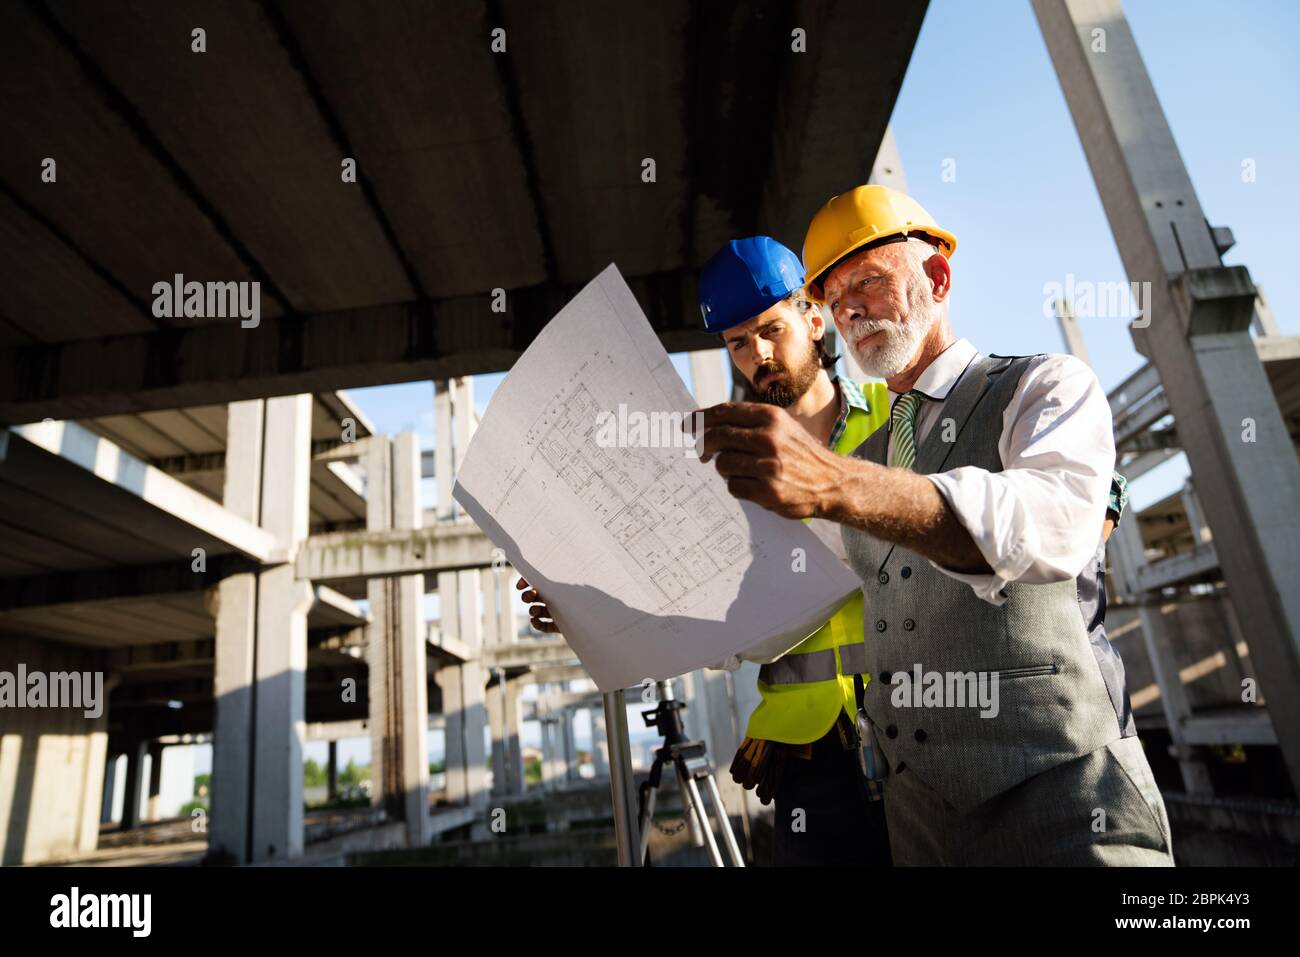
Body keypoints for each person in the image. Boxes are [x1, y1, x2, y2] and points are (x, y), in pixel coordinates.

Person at [694, 184, 1173, 865]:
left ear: (937, 278)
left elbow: (1055, 523)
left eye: (868, 280)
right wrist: (605, 619)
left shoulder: (1044, 386)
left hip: (1067, 806)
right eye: (835, 293)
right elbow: (766, 610)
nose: (851, 305)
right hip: (918, 820)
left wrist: (835, 483)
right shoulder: (864, 463)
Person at [525, 235, 893, 866]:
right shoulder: (723, 464)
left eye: (770, 330)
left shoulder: (896, 413)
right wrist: (583, 607)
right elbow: (700, 614)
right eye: (737, 343)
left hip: (918, 724)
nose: (759, 355)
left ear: (813, 315)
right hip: (806, 754)